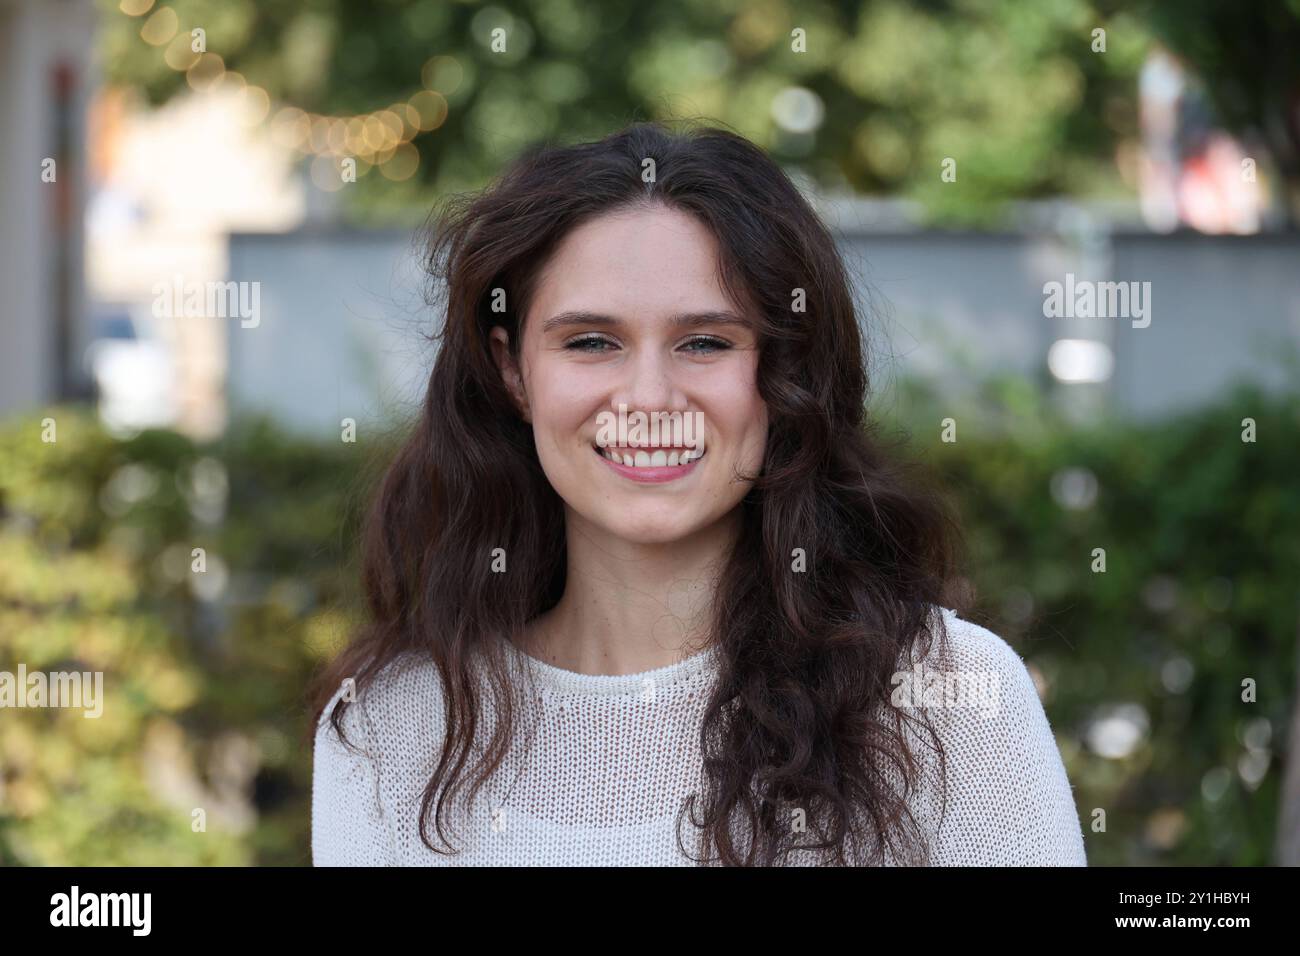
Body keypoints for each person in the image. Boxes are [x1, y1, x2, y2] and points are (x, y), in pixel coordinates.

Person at [309, 120, 1088, 866]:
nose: (648, 397)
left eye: (706, 342)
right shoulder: (390, 729)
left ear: (784, 371)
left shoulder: (948, 700)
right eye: (591, 342)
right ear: (514, 371)